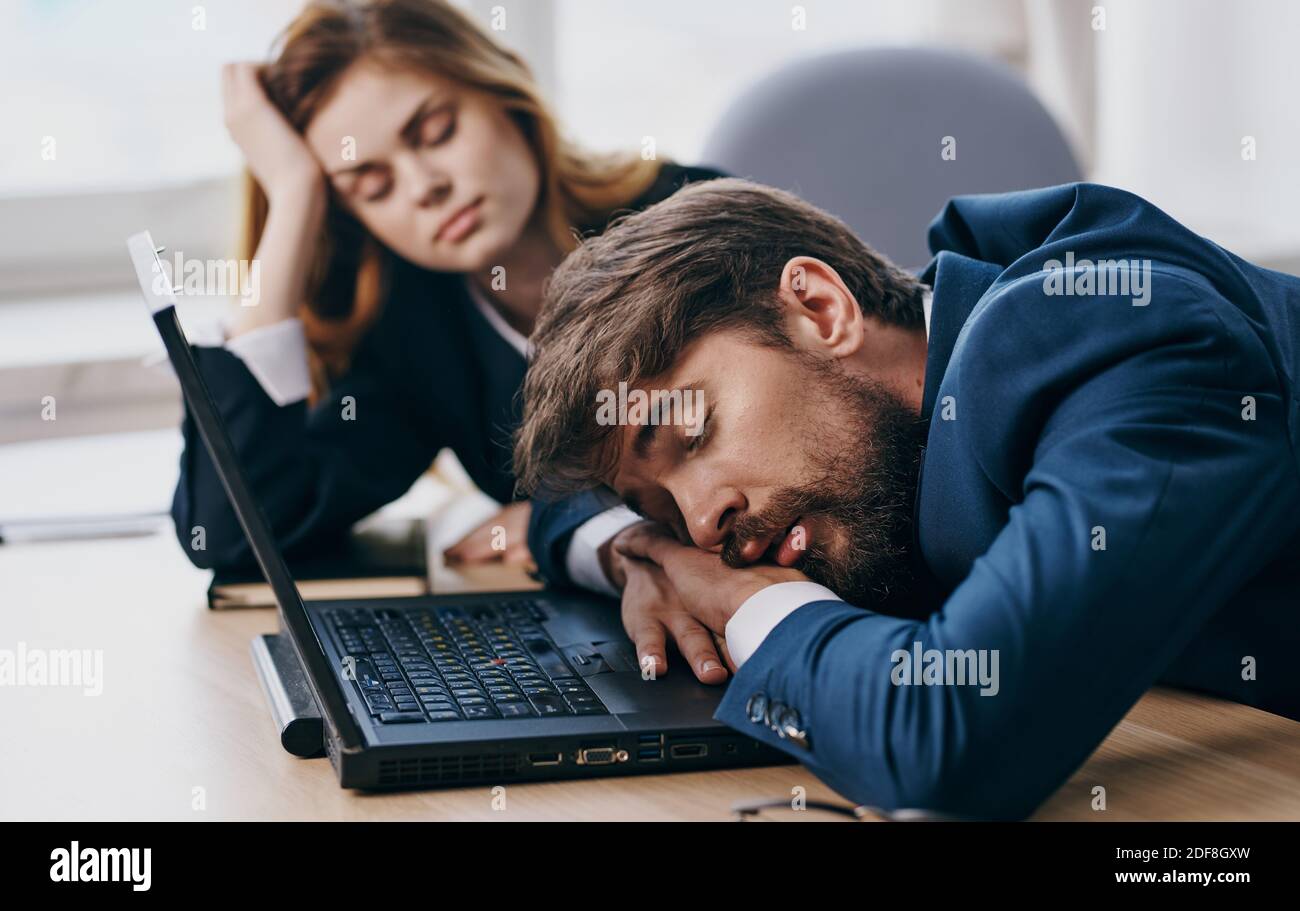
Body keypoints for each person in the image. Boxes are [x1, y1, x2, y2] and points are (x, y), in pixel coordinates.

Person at [515, 177, 1300, 818]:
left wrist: (742, 602)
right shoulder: (882, 443)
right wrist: (641, 555)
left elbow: (954, 735)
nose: (700, 525)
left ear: (821, 309)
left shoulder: (1114, 331)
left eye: (692, 433)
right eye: (659, 507)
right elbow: (559, 506)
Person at [172, 0, 719, 572]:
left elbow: (784, 462)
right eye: (371, 184)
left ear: (506, 94)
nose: (423, 187)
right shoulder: (417, 336)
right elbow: (231, 532)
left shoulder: (698, 223)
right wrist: (292, 194)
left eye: (436, 132)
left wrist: (564, 521)